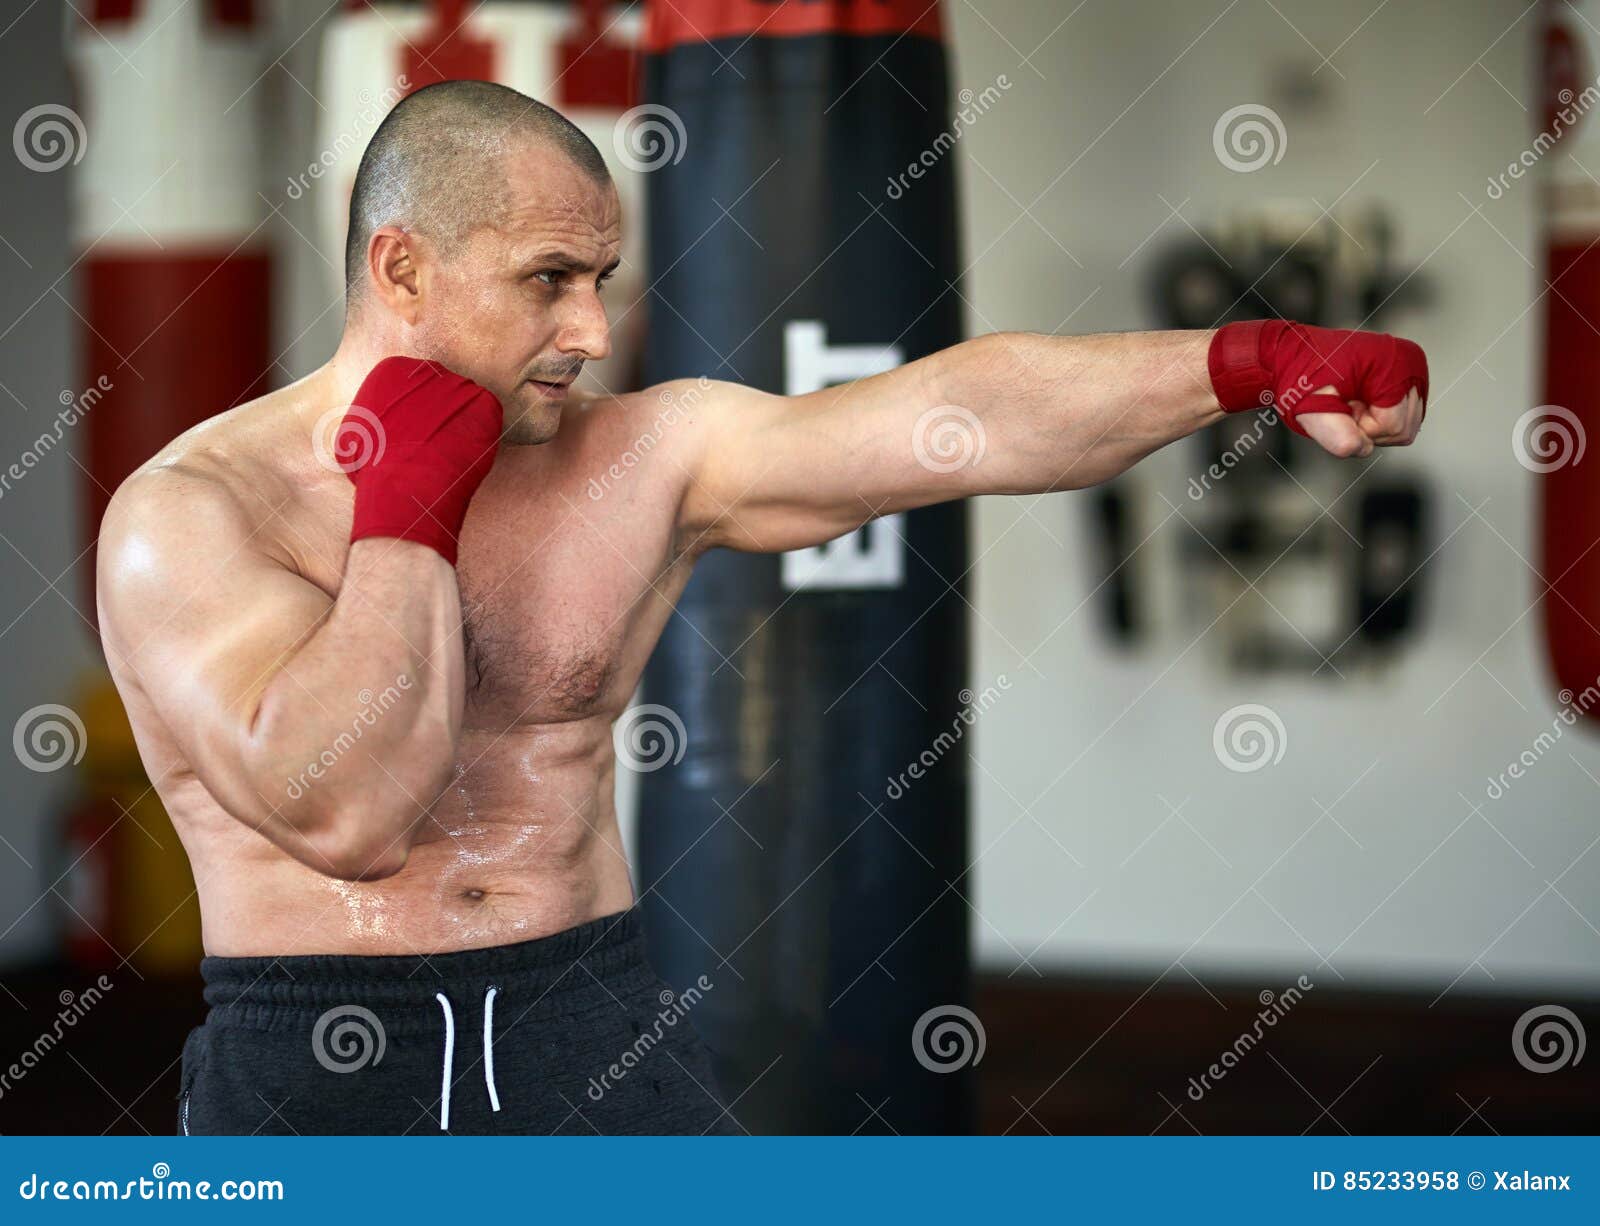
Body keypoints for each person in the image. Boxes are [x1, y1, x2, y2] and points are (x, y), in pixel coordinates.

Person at [94, 81, 1428, 1135]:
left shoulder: (639, 456)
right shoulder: (193, 517)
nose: (593, 333)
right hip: (319, 1062)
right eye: (548, 279)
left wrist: (1245, 361)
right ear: (400, 267)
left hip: (587, 1027)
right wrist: (407, 506)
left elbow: (954, 418)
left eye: (600, 282)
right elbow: (348, 806)